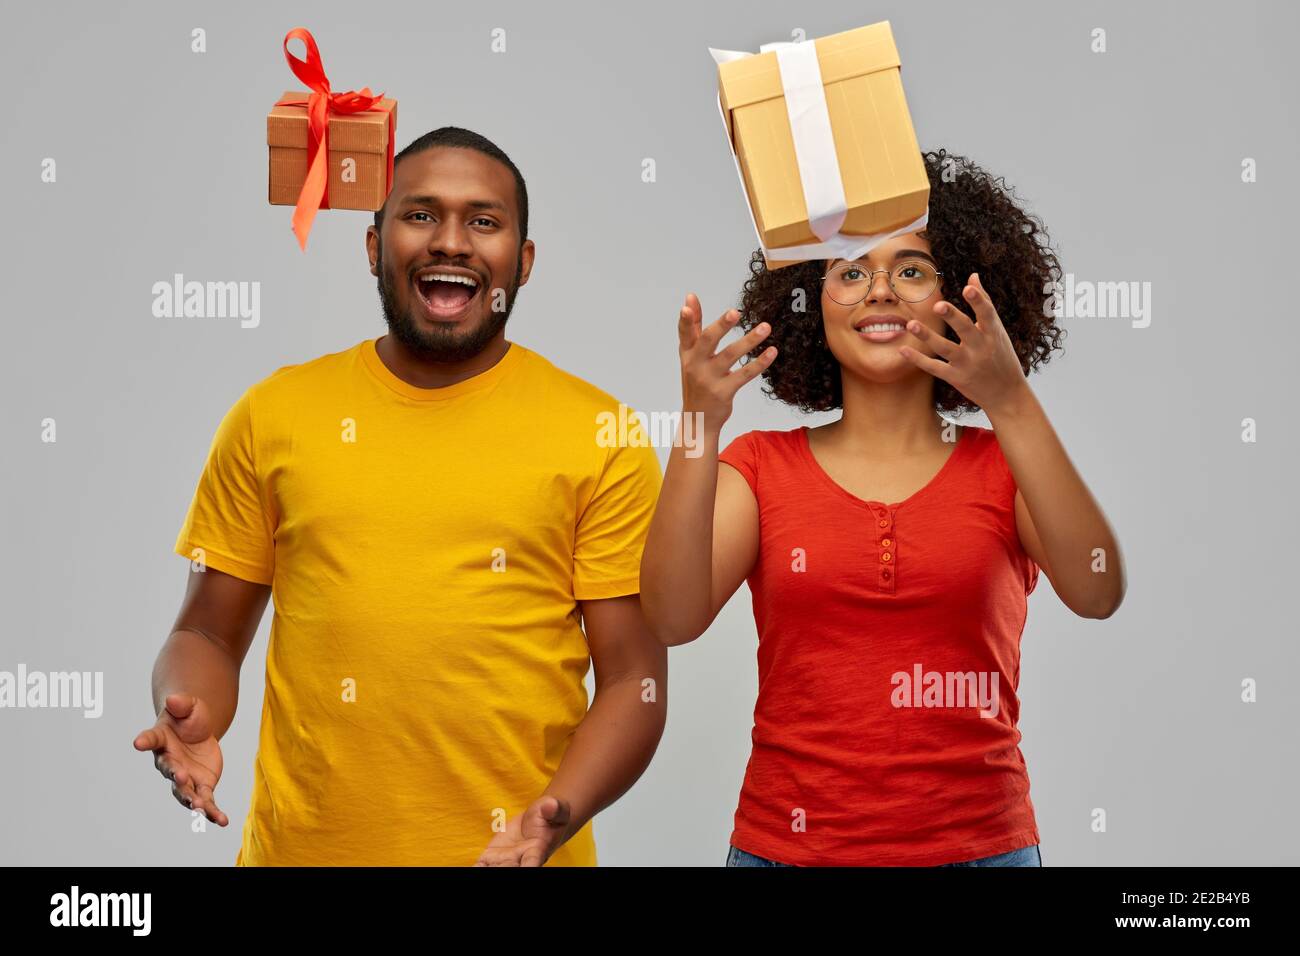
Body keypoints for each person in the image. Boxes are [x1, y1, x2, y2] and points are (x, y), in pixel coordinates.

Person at [134, 127, 667, 866]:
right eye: (420, 215)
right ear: (373, 245)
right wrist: (190, 713)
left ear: (525, 260)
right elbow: (207, 634)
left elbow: (634, 679)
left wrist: (555, 816)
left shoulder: (601, 435)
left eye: (484, 221)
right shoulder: (274, 414)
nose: (451, 241)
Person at [640, 147, 1126, 867]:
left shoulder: (1006, 469)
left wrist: (1011, 399)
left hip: (981, 850)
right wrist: (699, 426)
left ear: (960, 299)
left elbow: (1097, 590)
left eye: (911, 269)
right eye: (849, 271)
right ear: (810, 302)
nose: (879, 291)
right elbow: (673, 616)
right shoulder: (760, 470)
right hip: (787, 851)